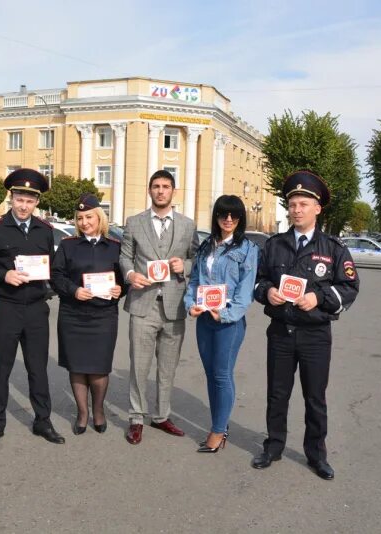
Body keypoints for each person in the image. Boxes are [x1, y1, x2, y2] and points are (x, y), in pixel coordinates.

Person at [251, 170, 360, 480]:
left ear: (317, 209)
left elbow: (350, 287)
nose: (296, 210)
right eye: (293, 204)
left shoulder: (333, 248)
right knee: (277, 394)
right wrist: (266, 292)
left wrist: (319, 297)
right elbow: (258, 280)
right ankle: (273, 447)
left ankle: (316, 455)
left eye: (303, 204)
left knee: (315, 398)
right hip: (281, 332)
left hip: (315, 335)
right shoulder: (275, 245)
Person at [0, 168, 65, 447]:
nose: (24, 205)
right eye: (19, 199)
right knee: (0, 368)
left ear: (37, 202)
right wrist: (4, 275)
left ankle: (42, 421)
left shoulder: (45, 230)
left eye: (30, 200)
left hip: (37, 308)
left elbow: (51, 267)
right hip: (6, 307)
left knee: (37, 368)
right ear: (10, 198)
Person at [120, 169, 199, 445]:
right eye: (156, 186)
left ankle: (162, 415)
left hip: (174, 306)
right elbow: (125, 257)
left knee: (167, 368)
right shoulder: (134, 222)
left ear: (173, 191)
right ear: (150, 190)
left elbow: (196, 259)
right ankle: (137, 418)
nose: (161, 191)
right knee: (139, 366)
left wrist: (185, 266)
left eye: (166, 186)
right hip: (143, 304)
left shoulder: (188, 226)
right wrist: (130, 275)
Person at [184, 195, 258, 453]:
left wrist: (225, 314)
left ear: (240, 219)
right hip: (204, 319)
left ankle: (218, 430)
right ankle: (219, 424)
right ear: (216, 217)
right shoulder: (207, 246)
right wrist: (190, 304)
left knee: (222, 375)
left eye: (234, 215)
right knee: (211, 374)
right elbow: (195, 281)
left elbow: (245, 292)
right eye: (223, 214)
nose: (228, 220)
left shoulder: (248, 249)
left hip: (229, 323)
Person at [51, 194, 124, 435]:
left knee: (99, 367)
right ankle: (83, 414)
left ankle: (99, 410)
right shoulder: (68, 245)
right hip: (73, 314)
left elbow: (126, 279)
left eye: (89, 217)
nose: (84, 222)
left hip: (103, 316)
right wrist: (74, 290)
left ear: (99, 217)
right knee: (77, 367)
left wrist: (120, 289)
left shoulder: (115, 247)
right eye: (80, 218)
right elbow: (56, 276)